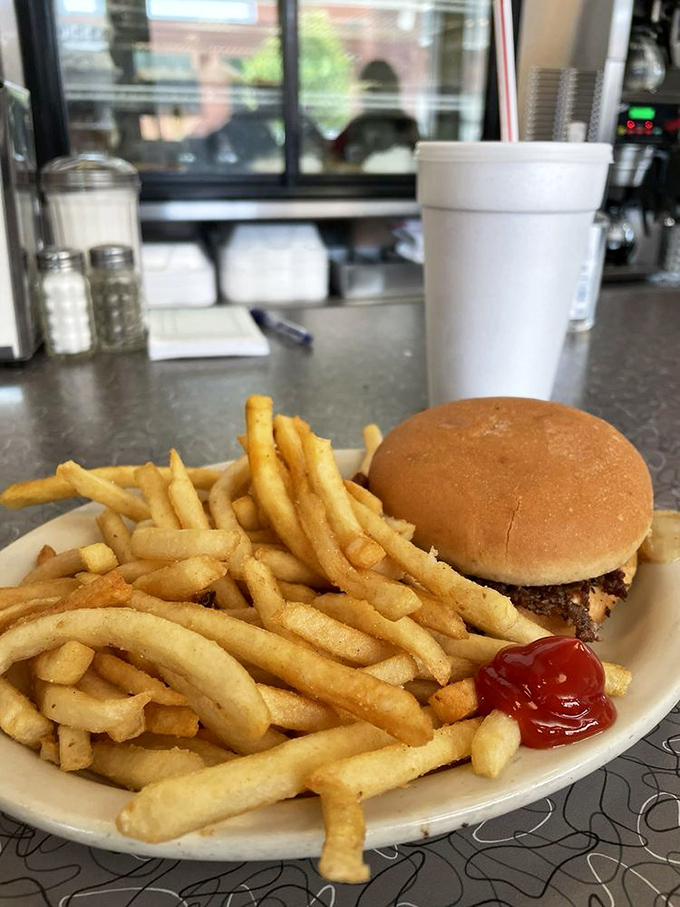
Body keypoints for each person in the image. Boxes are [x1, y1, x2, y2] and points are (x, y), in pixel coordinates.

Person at [332, 60, 419, 168]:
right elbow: (331, 160)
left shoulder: (407, 126)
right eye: (370, 90)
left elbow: (423, 162)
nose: (375, 94)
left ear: (395, 89)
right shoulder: (355, 126)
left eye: (378, 89)